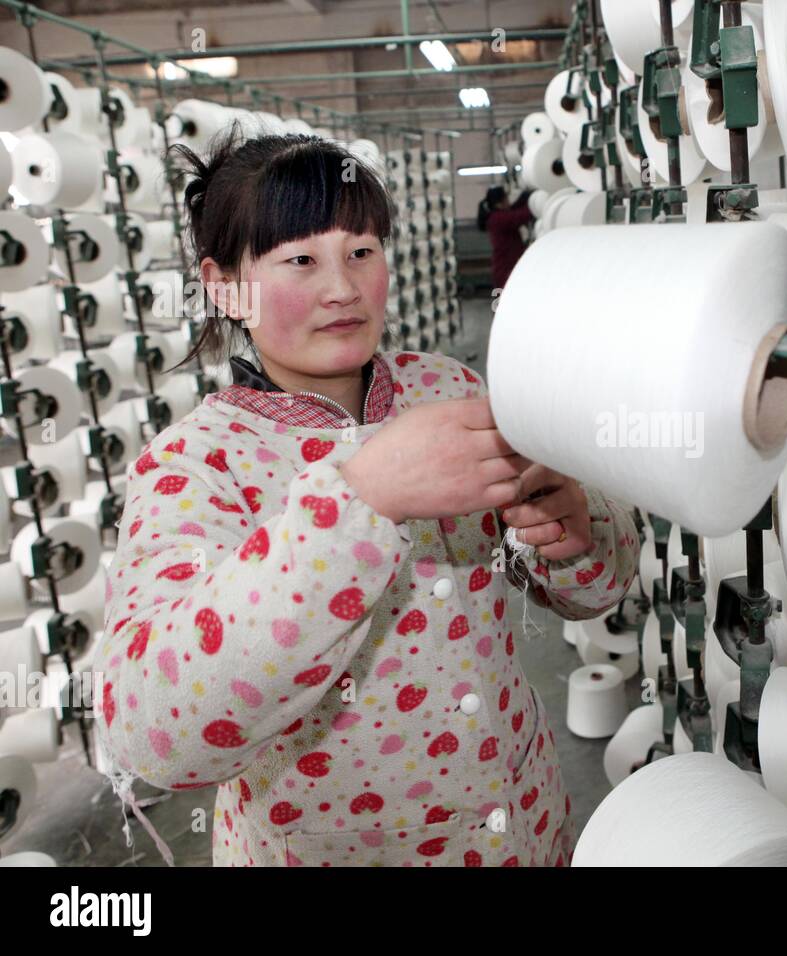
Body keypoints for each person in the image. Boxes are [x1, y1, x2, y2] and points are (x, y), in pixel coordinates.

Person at [92, 126, 640, 867]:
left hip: (523, 823)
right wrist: (361, 498)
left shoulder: (450, 387)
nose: (342, 288)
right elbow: (153, 731)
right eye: (300, 261)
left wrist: (576, 532)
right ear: (225, 286)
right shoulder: (194, 467)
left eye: (361, 251)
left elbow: (598, 589)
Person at [478, 184, 534, 290]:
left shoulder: (496, 215)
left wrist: (524, 197)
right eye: (507, 198)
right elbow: (521, 215)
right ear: (501, 201)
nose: (509, 200)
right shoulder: (498, 218)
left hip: (508, 267)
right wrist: (536, 202)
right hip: (506, 270)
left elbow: (513, 210)